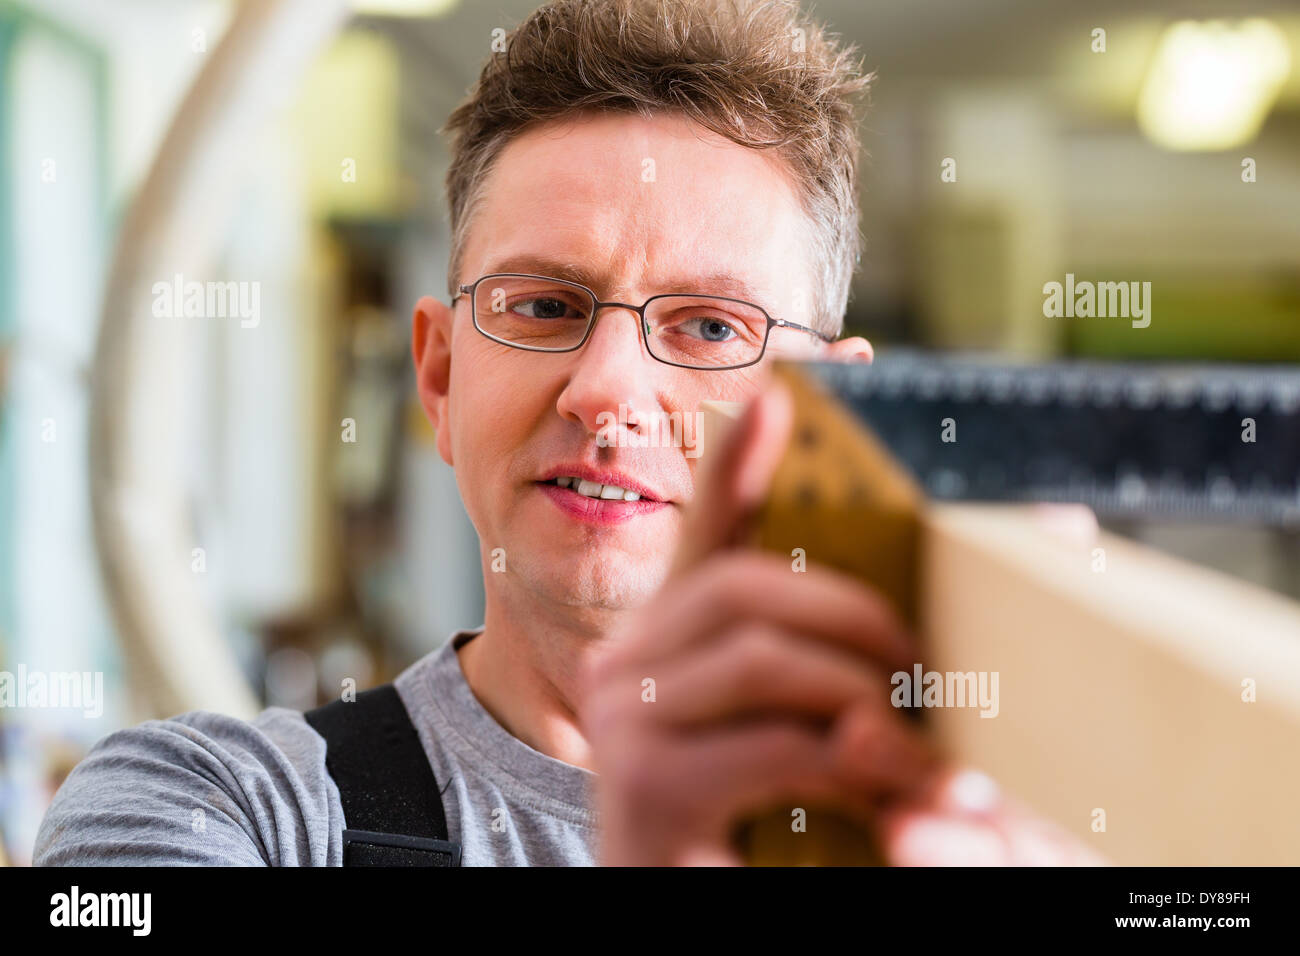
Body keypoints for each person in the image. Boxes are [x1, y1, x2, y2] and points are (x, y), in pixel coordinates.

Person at [35, 0, 1100, 867]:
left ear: (839, 410)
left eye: (711, 325)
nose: (605, 387)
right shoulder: (216, 810)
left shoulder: (1018, 832)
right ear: (441, 376)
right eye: (544, 305)